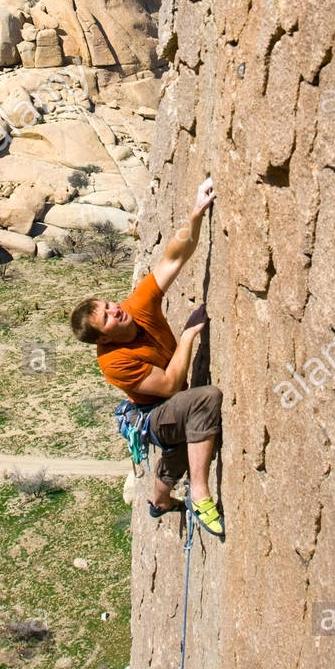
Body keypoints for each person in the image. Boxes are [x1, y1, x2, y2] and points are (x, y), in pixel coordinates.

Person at [69, 176, 223, 535]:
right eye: (106, 317)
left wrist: (196, 212)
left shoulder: (136, 305)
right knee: (203, 402)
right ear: (101, 339)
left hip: (168, 410)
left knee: (182, 444)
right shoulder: (112, 361)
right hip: (154, 416)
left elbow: (174, 257)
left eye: (108, 305)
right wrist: (186, 337)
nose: (115, 311)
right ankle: (200, 494)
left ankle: (159, 500)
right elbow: (170, 385)